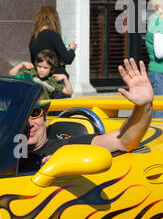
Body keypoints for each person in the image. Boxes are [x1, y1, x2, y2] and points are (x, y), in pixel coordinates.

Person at [18, 58, 154, 173]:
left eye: (35, 114)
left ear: (45, 118)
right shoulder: (5, 151)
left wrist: (144, 106)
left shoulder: (65, 147)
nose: (28, 123)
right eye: (21, 116)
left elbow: (123, 141)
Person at [27, 6, 76, 76]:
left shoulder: (33, 38)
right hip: (57, 79)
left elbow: (34, 62)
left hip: (41, 79)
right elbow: (68, 59)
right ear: (54, 19)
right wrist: (72, 49)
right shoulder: (53, 35)